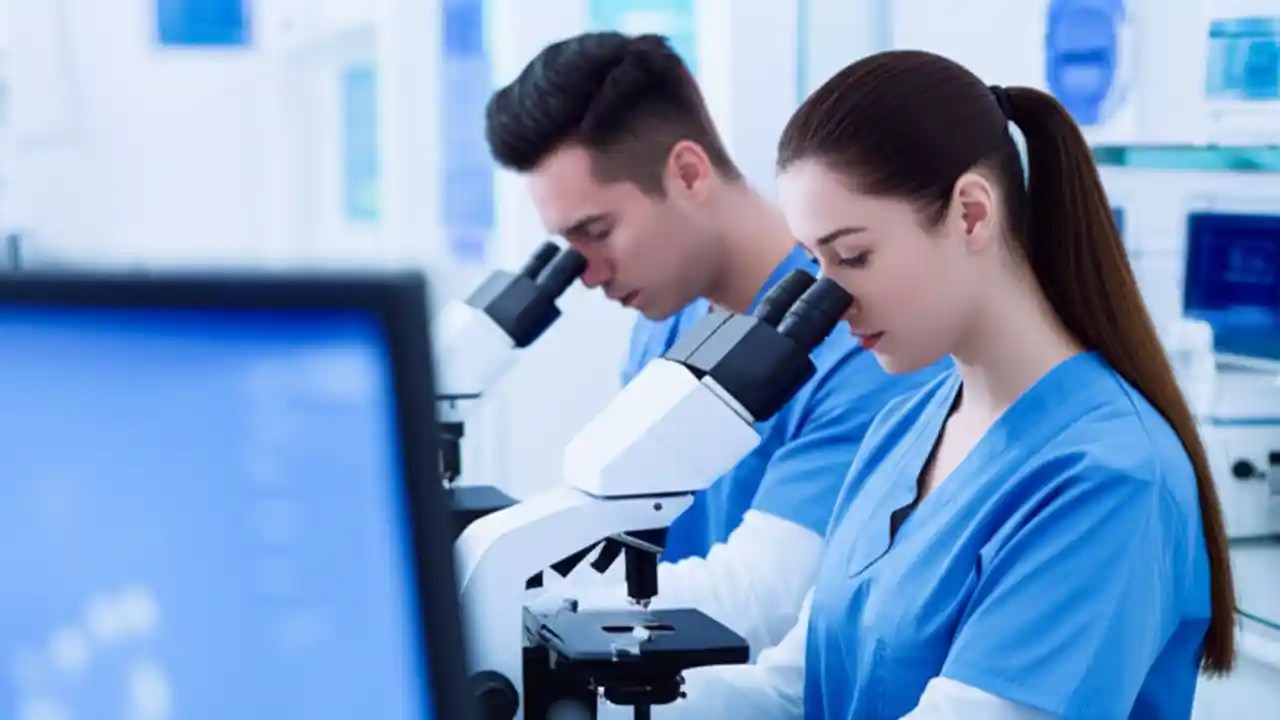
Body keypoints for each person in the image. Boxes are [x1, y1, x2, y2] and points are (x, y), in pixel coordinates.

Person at [651, 49, 1238, 720]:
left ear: (971, 214)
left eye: (853, 257)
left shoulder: (1111, 477)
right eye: (815, 262)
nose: (831, 300)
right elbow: (796, 691)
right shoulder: (903, 429)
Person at [483, 32, 949, 659]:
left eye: (597, 232)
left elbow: (762, 602)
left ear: (687, 172)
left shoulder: (862, 344)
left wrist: (510, 599)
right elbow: (623, 538)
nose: (588, 274)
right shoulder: (663, 324)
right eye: (570, 248)